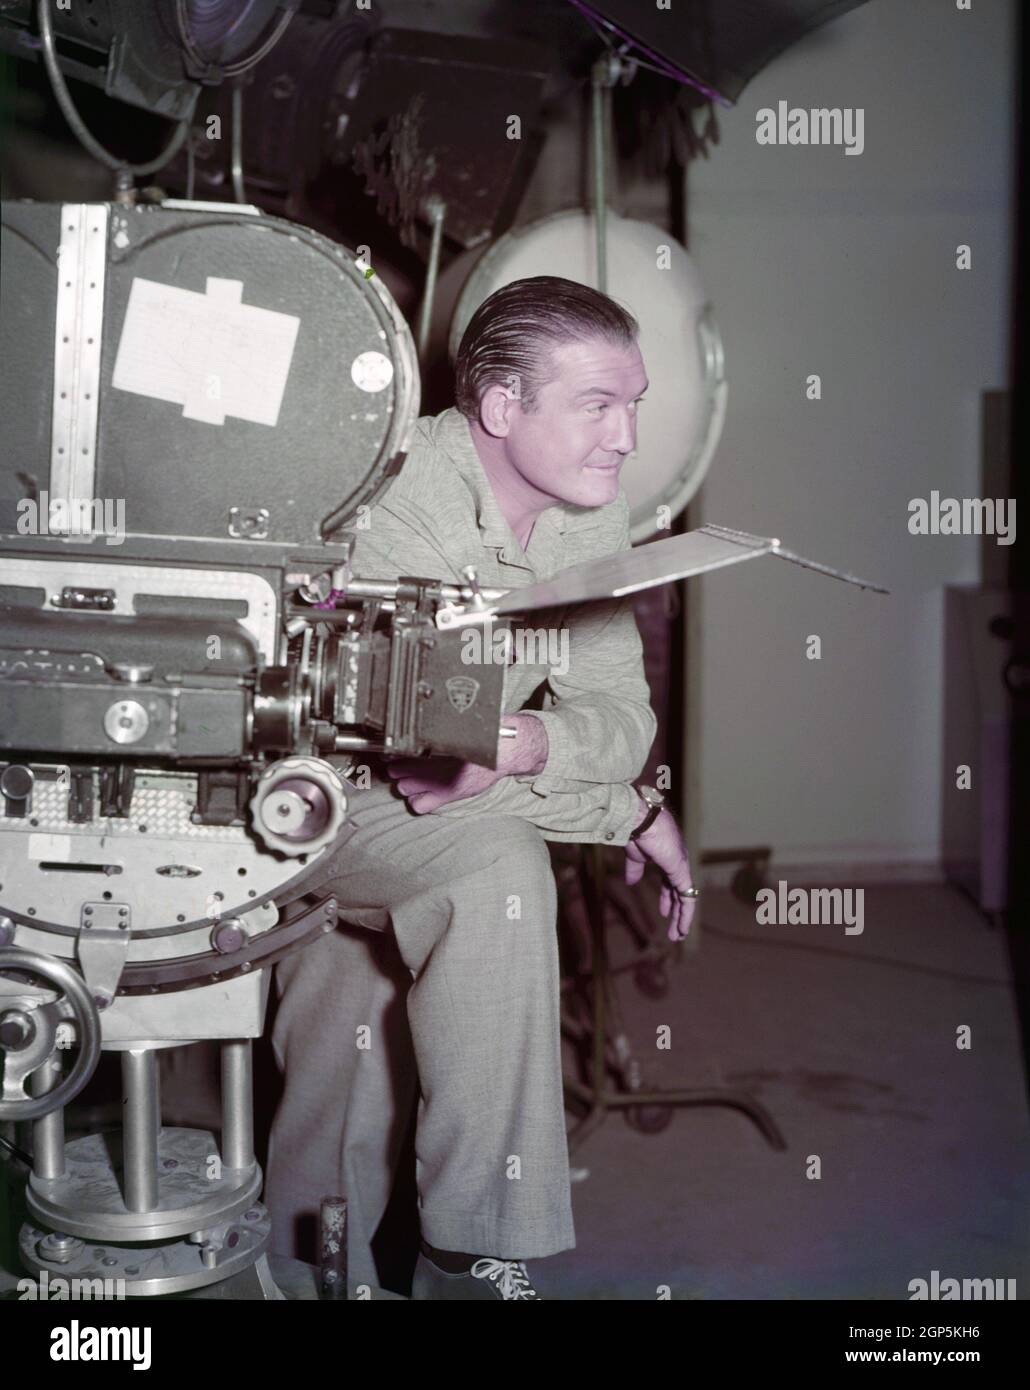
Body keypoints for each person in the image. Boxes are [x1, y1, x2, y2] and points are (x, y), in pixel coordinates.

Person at [265, 275, 697, 1300]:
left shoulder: (590, 515)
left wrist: (529, 744)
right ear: (502, 407)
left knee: (349, 1026)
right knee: (490, 871)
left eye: (632, 404)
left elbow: (617, 721)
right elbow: (429, 771)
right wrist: (623, 810)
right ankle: (470, 1251)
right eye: (598, 404)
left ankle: (302, 1271)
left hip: (407, 811)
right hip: (293, 804)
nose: (627, 437)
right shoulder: (395, 494)